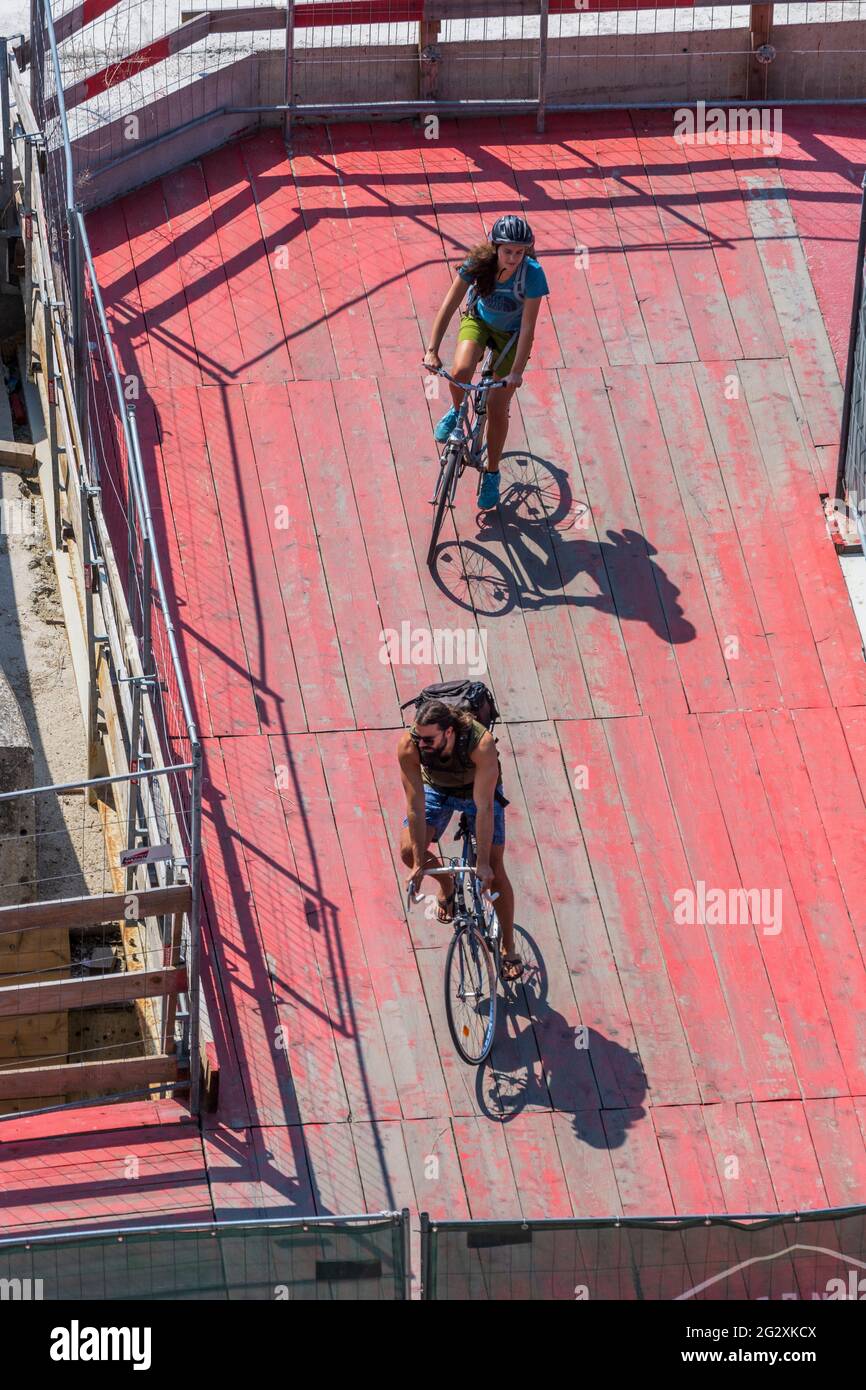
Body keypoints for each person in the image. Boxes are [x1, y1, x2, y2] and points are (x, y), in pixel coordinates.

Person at [423, 214, 549, 510]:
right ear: (494, 247)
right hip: (479, 321)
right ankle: (456, 412)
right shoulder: (478, 264)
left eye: (520, 252)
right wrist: (432, 349)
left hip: (511, 337)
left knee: (495, 405)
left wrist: (516, 372)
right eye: (508, 251)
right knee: (460, 371)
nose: (514, 257)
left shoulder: (532, 274)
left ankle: (491, 473)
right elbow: (450, 303)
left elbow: (529, 327)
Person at [398, 699, 523, 981]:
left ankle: (509, 945)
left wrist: (482, 865)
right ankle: (448, 885)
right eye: (418, 737)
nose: (422, 744)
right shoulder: (410, 745)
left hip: (476, 792)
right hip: (436, 789)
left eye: (429, 739)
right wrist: (419, 862)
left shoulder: (481, 743)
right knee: (408, 851)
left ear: (449, 732)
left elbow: (484, 807)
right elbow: (415, 805)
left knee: (494, 866)